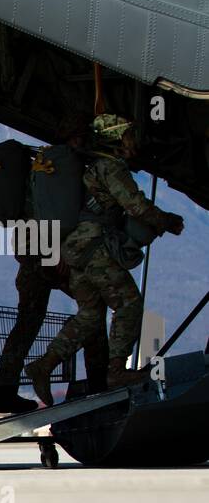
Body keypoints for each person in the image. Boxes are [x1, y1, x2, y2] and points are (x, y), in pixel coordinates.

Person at [24, 115, 184, 405]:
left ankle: (43, 366)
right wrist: (167, 221)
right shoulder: (110, 168)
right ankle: (115, 371)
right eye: (126, 137)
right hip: (96, 249)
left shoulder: (91, 168)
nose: (131, 143)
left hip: (77, 252)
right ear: (114, 139)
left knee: (90, 314)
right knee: (128, 305)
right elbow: (135, 206)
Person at [0, 111, 106, 412]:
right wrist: (54, 255)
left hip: (30, 258)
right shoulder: (62, 170)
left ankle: (4, 393)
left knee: (27, 325)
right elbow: (50, 216)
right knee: (93, 309)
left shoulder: (40, 168)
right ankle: (99, 383)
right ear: (75, 138)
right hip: (48, 257)